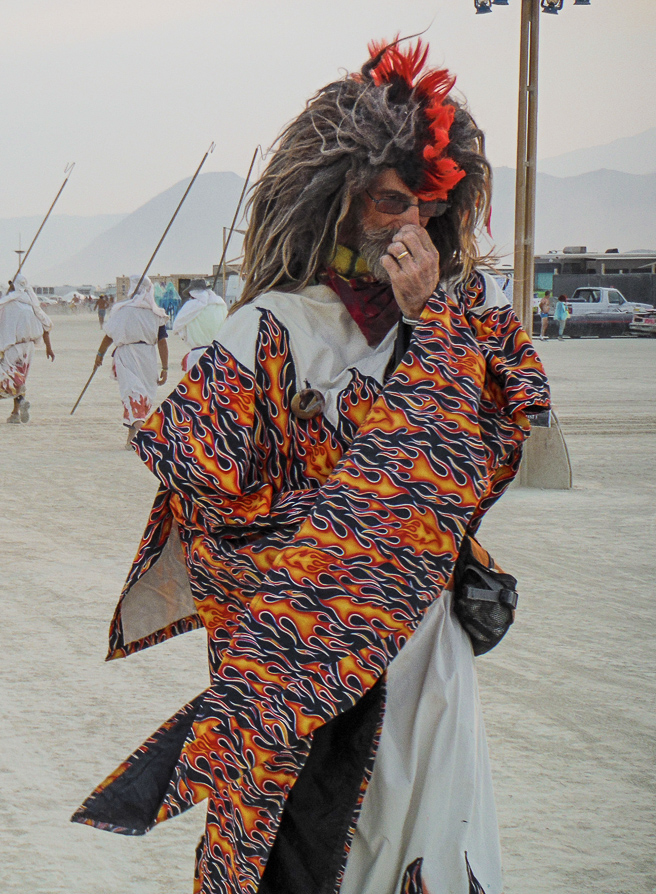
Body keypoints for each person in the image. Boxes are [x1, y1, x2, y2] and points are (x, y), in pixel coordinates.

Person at [71, 39, 550, 894]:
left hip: (427, 655)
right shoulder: (270, 331)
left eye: (430, 209)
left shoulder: (455, 325)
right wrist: (311, 570)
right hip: (299, 653)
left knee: (429, 843)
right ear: (337, 200)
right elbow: (198, 493)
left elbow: (510, 454)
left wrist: (436, 326)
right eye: (392, 202)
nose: (413, 229)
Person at [93, 275, 169, 445]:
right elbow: (162, 342)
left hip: (127, 354)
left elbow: (109, 336)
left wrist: (99, 355)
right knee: (138, 397)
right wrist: (165, 368)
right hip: (148, 356)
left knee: (133, 396)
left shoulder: (123, 310)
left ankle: (142, 435)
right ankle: (131, 439)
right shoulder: (155, 312)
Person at [0, 273, 54, 423]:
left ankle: (21, 402)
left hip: (13, 347)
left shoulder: (7, 304)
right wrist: (48, 348)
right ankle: (15, 413)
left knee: (11, 376)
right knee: (20, 380)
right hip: (29, 348)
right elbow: (45, 326)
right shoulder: (32, 305)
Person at [170, 278, 228, 372]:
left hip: (197, 355)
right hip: (218, 355)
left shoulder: (190, 307)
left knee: (196, 385)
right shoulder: (220, 306)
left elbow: (177, 328)